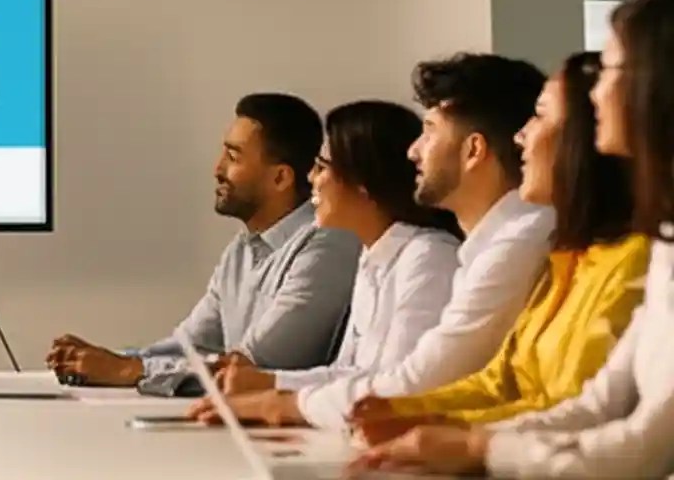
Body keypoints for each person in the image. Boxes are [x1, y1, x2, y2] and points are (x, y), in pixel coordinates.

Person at [347, 0, 674, 478]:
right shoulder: (644, 247)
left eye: (612, 71)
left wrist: (477, 446)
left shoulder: (622, 254)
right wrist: (436, 424)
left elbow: (640, 445)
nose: (521, 134)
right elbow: (593, 402)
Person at [222, 53, 553, 431]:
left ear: (473, 150)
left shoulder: (486, 248)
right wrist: (277, 390)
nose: (414, 151)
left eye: (429, 131)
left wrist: (281, 401)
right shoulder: (479, 248)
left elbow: (412, 385)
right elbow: (364, 374)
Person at [46, 93, 361, 391]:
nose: (217, 168)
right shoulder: (242, 248)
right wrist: (109, 360)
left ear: (280, 178)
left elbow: (254, 365)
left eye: (233, 156)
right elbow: (190, 345)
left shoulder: (327, 244)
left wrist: (130, 370)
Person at [184, 100, 462, 426]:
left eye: (322, 166)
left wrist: (277, 400)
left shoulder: (427, 258)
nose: (312, 178)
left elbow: (396, 389)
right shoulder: (373, 256)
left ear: (363, 185)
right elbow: (350, 371)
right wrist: (271, 382)